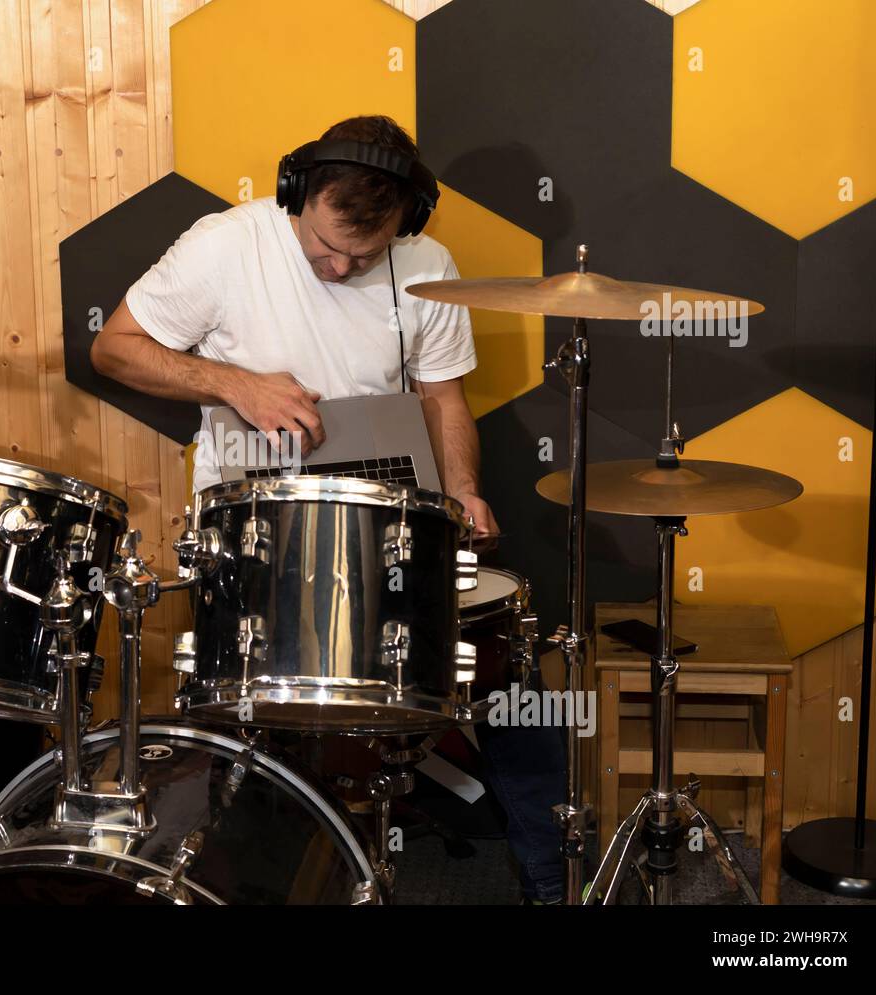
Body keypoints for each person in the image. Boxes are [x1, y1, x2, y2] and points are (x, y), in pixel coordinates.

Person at [91, 114, 564, 903]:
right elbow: (115, 346)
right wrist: (236, 383)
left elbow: (445, 398)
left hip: (386, 514)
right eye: (326, 246)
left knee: (505, 654)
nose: (342, 266)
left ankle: (554, 881)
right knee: (241, 713)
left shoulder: (429, 264)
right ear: (297, 195)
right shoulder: (226, 243)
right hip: (254, 519)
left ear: (406, 223)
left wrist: (464, 489)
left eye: (365, 254)